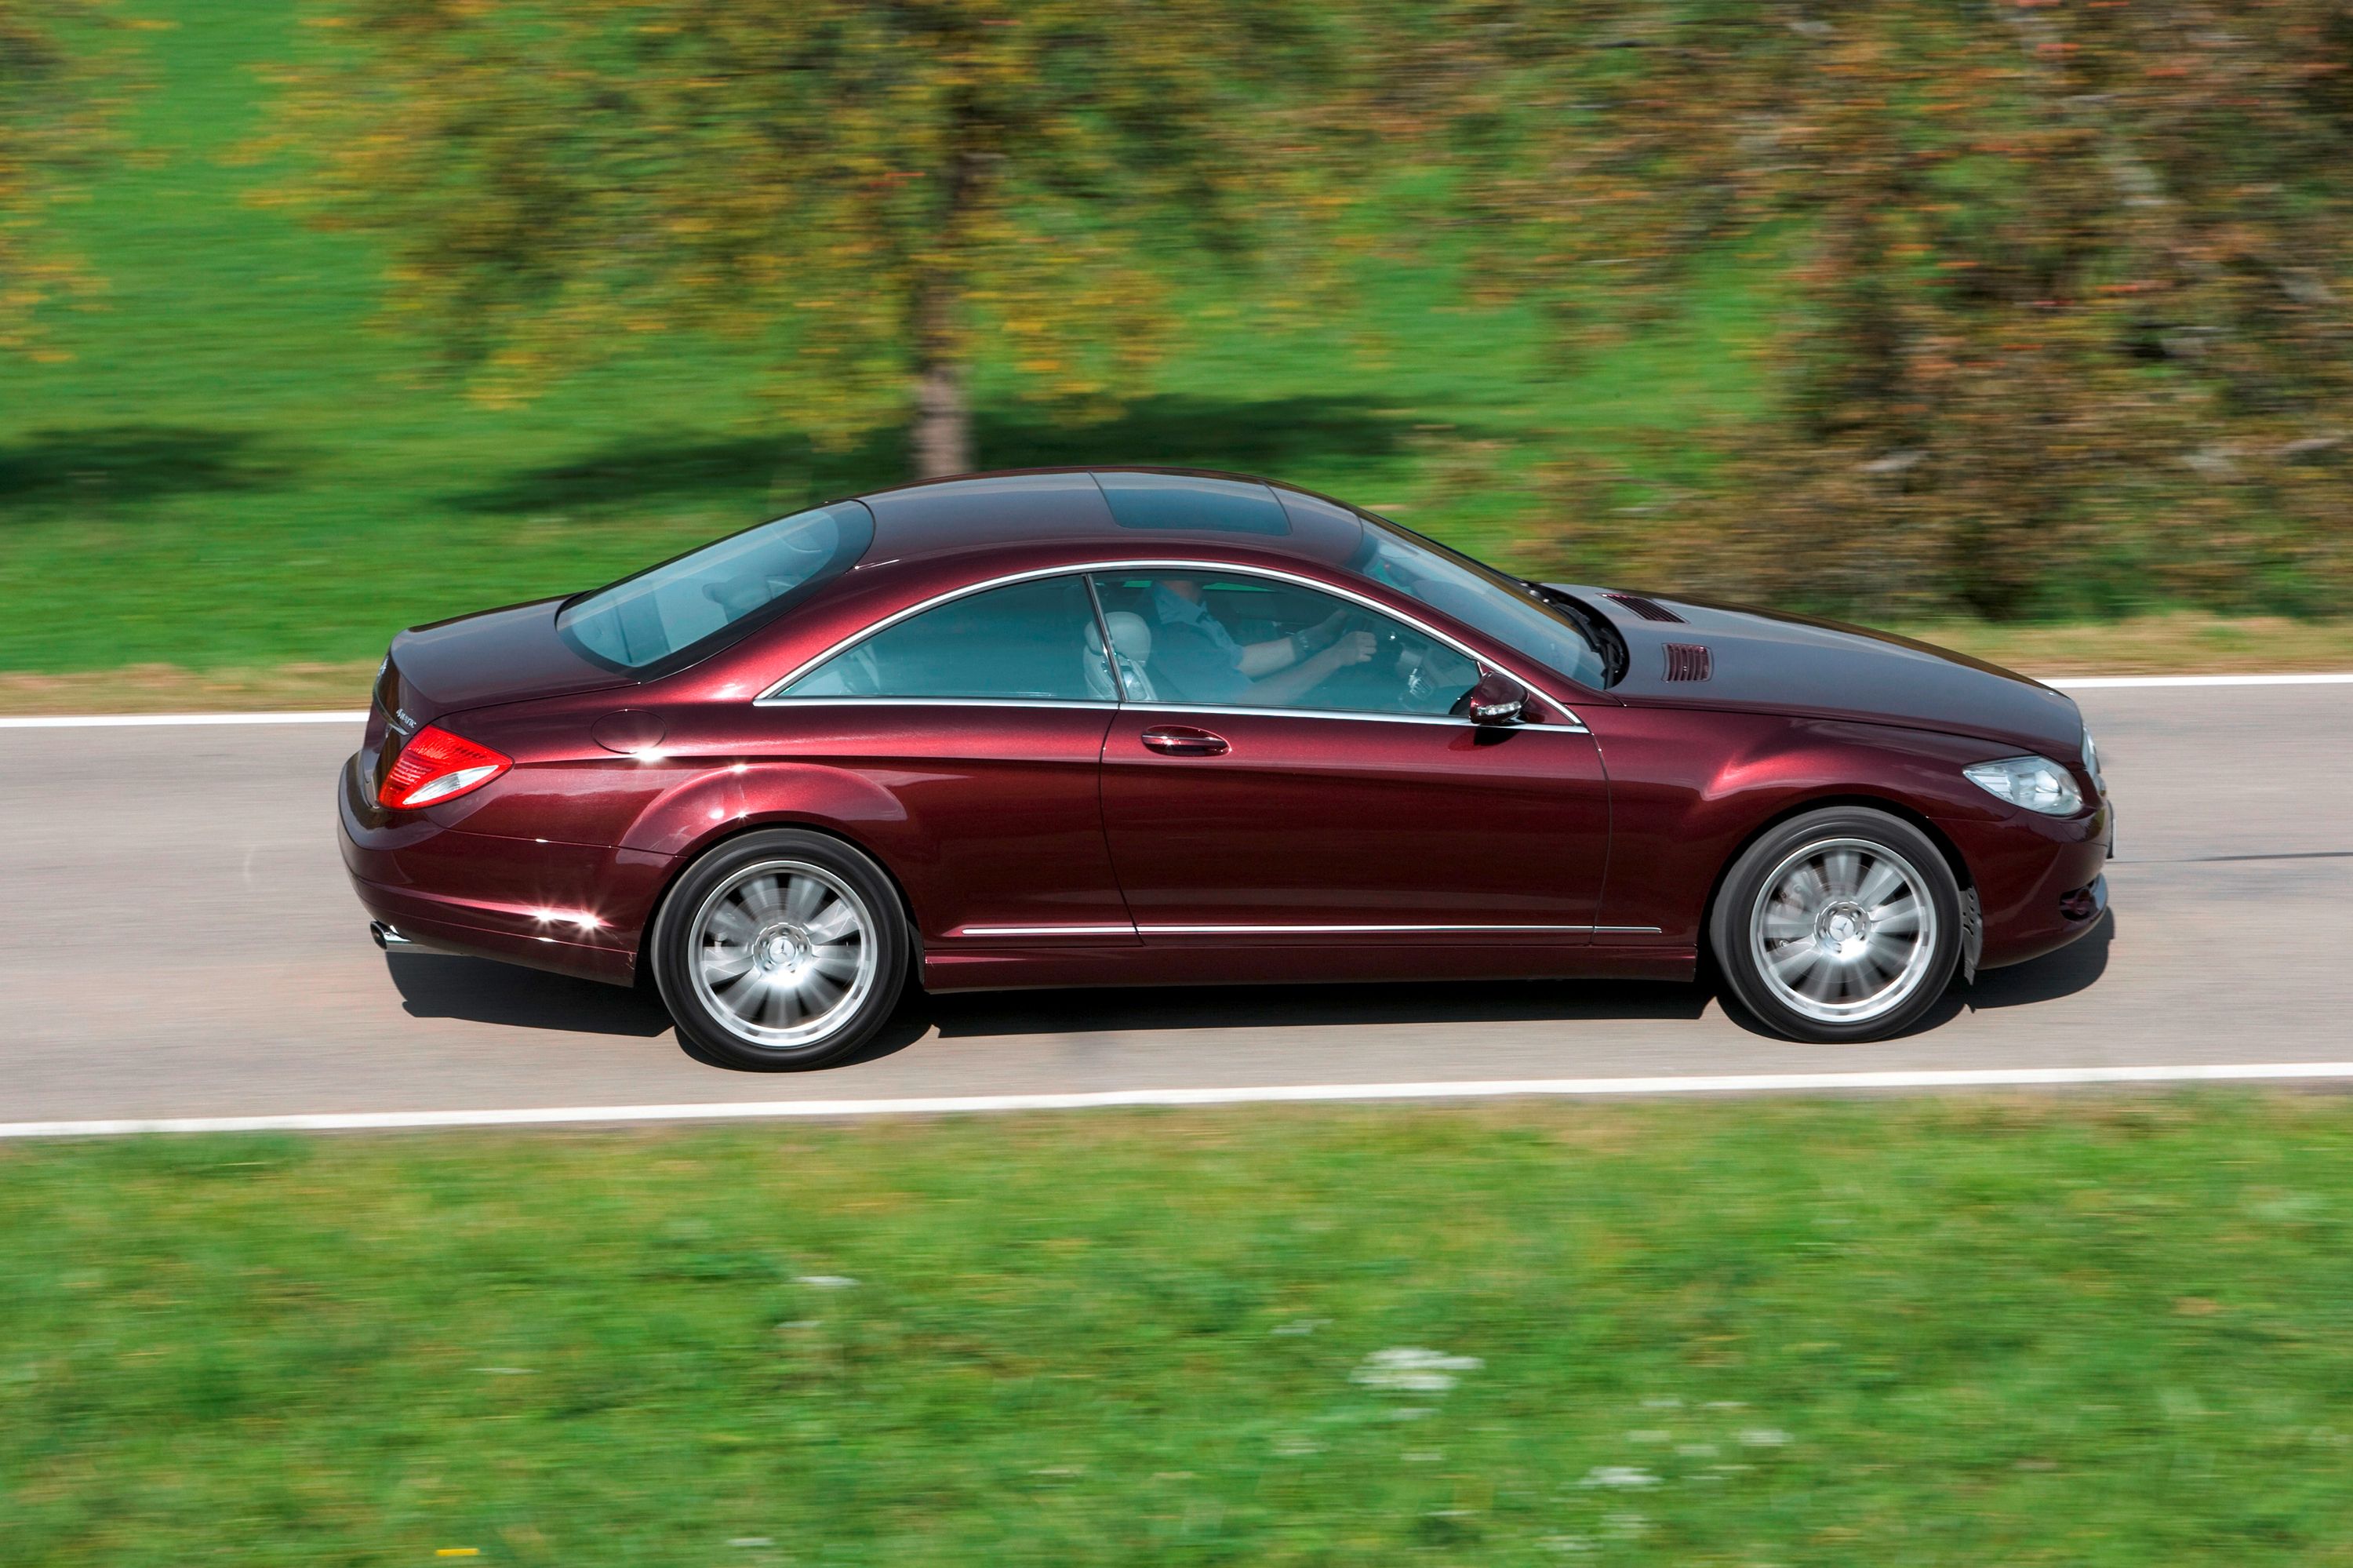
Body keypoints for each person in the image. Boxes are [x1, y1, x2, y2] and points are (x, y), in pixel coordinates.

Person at [1144, 577, 1376, 706]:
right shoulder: (1174, 631)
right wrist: (1334, 657)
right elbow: (1248, 701)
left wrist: (1316, 637)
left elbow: (1235, 661)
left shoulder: (1180, 609)